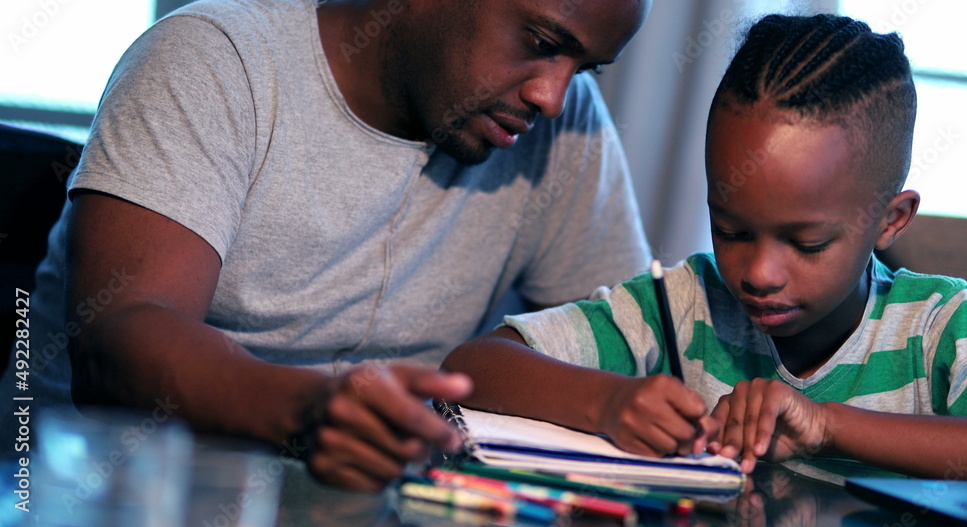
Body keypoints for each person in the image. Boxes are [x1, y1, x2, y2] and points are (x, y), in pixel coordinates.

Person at [0, 0, 655, 490]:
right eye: (541, 42)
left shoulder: (567, 126)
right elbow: (120, 339)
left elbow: (625, 351)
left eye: (586, 67)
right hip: (101, 496)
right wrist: (309, 409)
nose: (553, 95)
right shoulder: (213, 60)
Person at [443, 13, 967, 481]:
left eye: (806, 243)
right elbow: (474, 367)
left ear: (891, 220)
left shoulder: (939, 327)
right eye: (731, 230)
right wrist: (608, 400)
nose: (758, 272)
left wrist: (827, 426)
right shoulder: (684, 305)